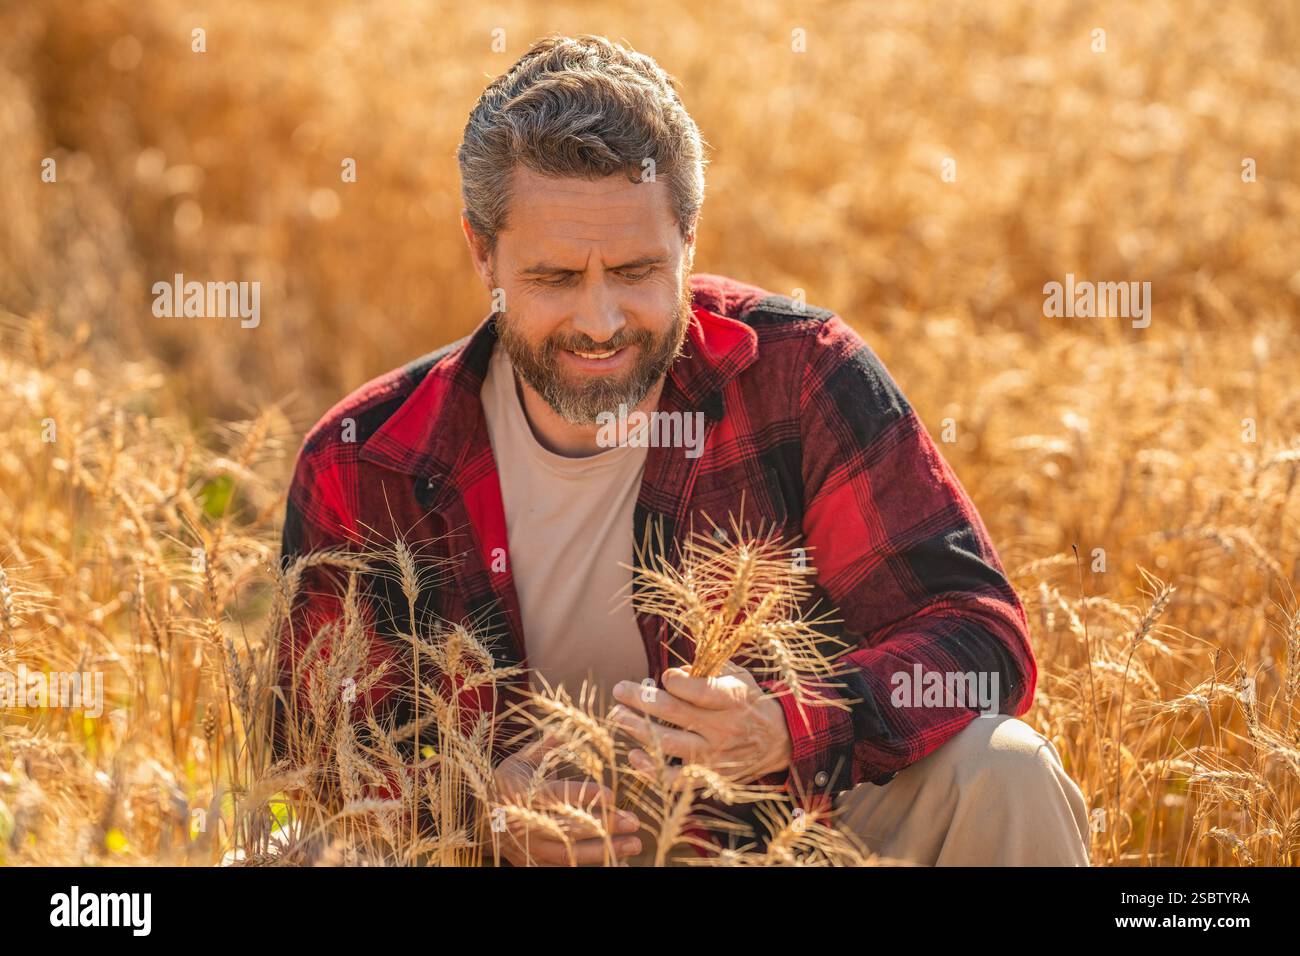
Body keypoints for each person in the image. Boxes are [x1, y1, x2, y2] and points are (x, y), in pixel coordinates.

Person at [277, 33, 1090, 867]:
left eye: (636, 271)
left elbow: (977, 640)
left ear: (690, 241)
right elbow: (317, 760)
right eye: (556, 278)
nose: (600, 322)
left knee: (1005, 770)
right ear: (481, 251)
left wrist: (788, 725)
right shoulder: (362, 461)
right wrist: (478, 809)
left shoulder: (798, 377)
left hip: (782, 849)